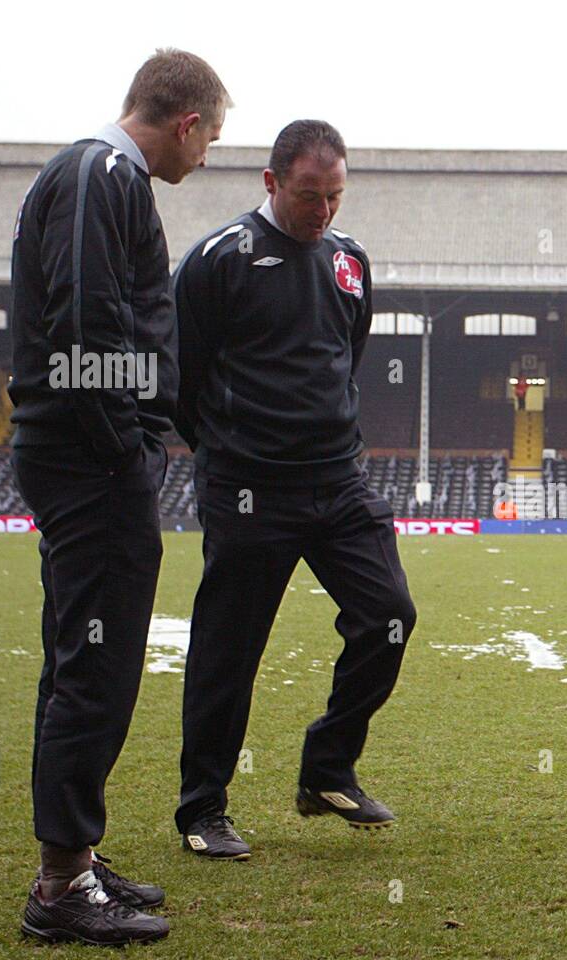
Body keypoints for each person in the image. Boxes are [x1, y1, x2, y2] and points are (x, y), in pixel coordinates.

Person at [9, 49, 229, 943]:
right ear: (185, 124)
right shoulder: (105, 174)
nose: (208, 154)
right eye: (211, 137)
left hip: (84, 455)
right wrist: (125, 448)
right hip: (88, 460)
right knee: (94, 665)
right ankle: (62, 888)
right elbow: (87, 318)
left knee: (79, 657)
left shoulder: (99, 176)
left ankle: (73, 860)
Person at [172, 120, 417, 859]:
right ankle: (202, 810)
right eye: (310, 195)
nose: (323, 211)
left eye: (335, 196)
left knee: (388, 616)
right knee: (229, 648)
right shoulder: (220, 259)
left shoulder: (350, 263)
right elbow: (181, 374)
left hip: (339, 483)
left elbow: (349, 356)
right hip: (250, 488)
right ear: (272, 183)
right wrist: (226, 451)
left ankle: (328, 767)